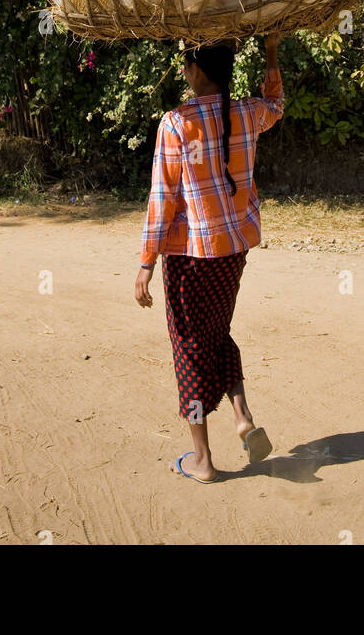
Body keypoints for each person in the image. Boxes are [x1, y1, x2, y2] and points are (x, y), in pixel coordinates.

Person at [135, 34, 284, 483]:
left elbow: (163, 199)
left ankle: (202, 460)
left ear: (197, 70)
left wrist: (146, 262)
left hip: (190, 258)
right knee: (218, 334)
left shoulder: (176, 123)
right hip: (233, 252)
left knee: (188, 352)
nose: (183, 72)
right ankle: (241, 416)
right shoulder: (246, 112)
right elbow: (275, 103)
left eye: (185, 65)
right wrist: (272, 52)